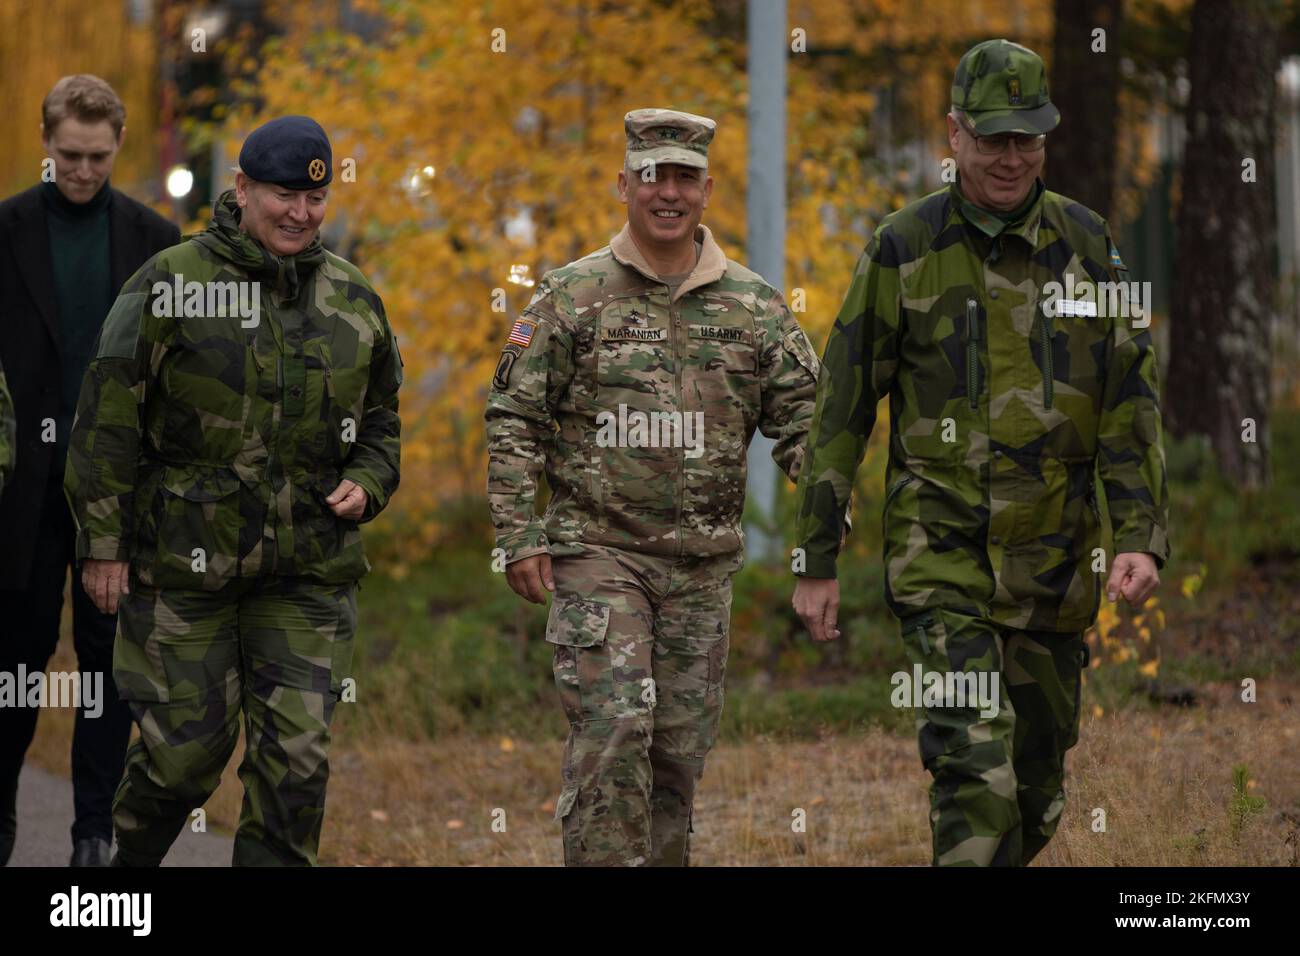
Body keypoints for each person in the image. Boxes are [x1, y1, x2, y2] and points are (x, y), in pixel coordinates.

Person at [792, 39, 1170, 867]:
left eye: (1025, 139)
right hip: (943, 559)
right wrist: (816, 551)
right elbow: (843, 408)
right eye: (992, 138)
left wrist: (1139, 531)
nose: (1009, 158)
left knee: (1034, 790)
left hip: (1053, 561)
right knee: (975, 775)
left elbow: (1128, 399)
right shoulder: (903, 247)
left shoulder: (1090, 243)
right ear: (955, 134)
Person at [485, 108, 821, 866]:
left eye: (684, 178)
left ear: (707, 189)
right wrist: (519, 533)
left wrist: (836, 516)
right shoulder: (572, 296)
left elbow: (809, 425)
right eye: (651, 176)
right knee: (614, 732)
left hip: (702, 569)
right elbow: (514, 415)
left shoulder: (753, 305)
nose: (667, 192)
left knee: (676, 754)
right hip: (598, 554)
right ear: (623, 185)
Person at [63, 115, 402, 866]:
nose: (300, 214)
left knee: (296, 770)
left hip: (307, 572)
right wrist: (103, 548)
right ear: (242, 189)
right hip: (186, 570)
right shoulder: (172, 281)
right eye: (284, 195)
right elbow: (107, 418)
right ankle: (120, 879)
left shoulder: (353, 298)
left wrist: (369, 480)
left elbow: (381, 421)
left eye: (314, 200)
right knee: (182, 762)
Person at [0, 74, 180, 867]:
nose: (82, 171)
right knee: (16, 660)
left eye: (99, 157)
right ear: (47, 142)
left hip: (117, 492)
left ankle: (93, 835)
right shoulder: (5, 231)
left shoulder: (154, 240)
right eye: (70, 155)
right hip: (22, 493)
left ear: (119, 146)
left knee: (110, 667)